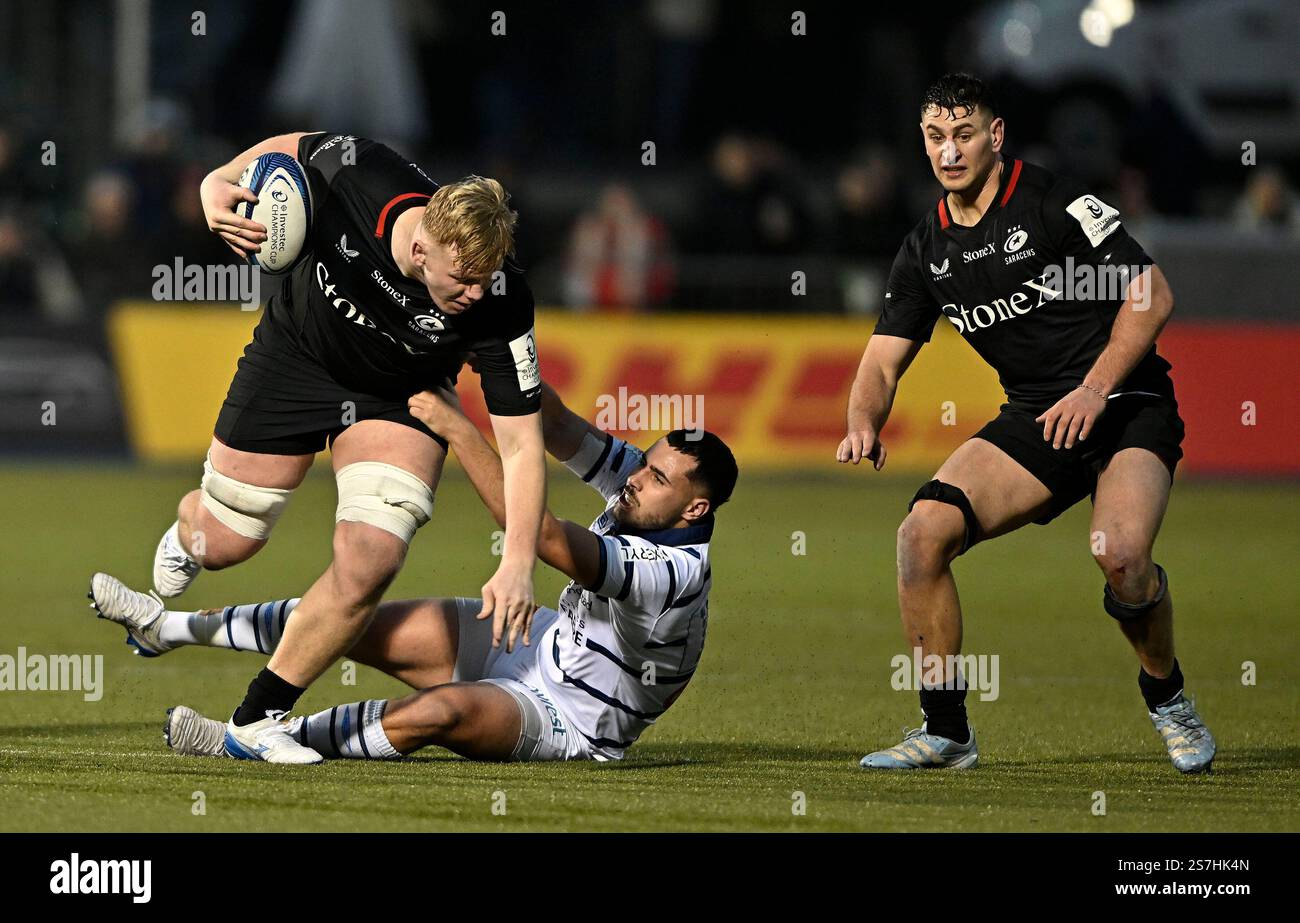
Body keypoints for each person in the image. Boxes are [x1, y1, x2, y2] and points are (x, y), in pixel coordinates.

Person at [838, 74, 1214, 773]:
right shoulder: (928, 251)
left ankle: (1168, 697)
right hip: (1038, 418)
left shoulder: (1055, 203)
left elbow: (1151, 292)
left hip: (1127, 404)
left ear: (995, 135)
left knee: (1122, 557)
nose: (949, 150)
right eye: (935, 137)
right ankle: (946, 732)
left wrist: (1096, 388)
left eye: (964, 134)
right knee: (921, 534)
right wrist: (863, 420)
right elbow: (880, 365)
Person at [144, 132, 546, 762]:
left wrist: (517, 561)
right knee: (223, 544)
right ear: (420, 247)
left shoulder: (501, 302)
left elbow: (522, 445)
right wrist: (215, 180)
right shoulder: (363, 173)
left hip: (400, 393)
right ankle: (189, 524)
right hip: (297, 355)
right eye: (463, 280)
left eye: (486, 280)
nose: (474, 295)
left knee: (372, 556)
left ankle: (258, 720)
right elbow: (293, 146)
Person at [89, 381, 737, 763]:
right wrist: (505, 347)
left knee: (441, 712)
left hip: (570, 714)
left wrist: (457, 429)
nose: (634, 481)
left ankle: (247, 741)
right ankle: (161, 625)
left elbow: (539, 534)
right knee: (353, 622)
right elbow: (560, 426)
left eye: (656, 478)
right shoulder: (643, 494)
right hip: (542, 637)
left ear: (696, 507)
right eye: (644, 464)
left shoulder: (675, 570)